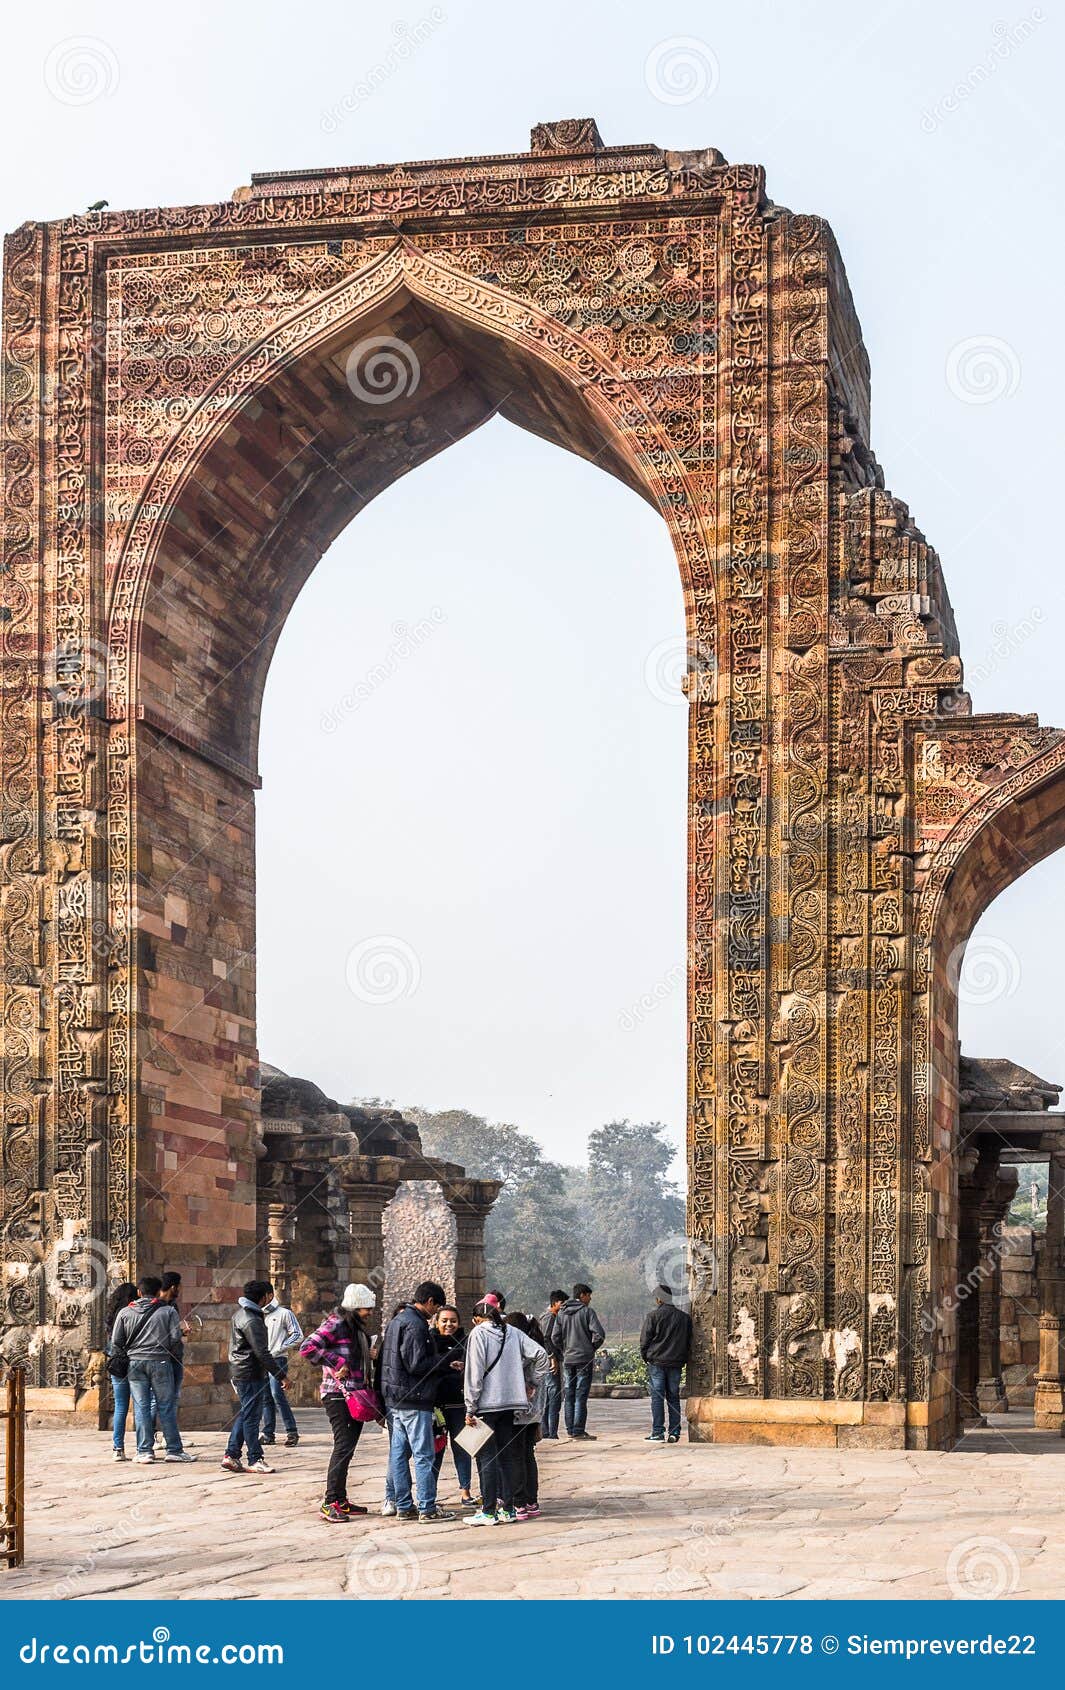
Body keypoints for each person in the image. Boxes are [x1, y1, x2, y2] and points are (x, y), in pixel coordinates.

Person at [464, 1294, 549, 1526]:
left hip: (486, 1405)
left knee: (487, 1457)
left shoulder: (478, 1334)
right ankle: (508, 1510)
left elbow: (474, 1373)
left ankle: (488, 1511)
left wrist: (470, 1406)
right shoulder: (513, 1332)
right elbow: (541, 1355)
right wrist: (531, 1382)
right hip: (511, 1404)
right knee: (509, 1457)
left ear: (477, 1319)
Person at [299, 1283, 378, 1522]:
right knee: (343, 1447)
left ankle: (341, 1500)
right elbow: (307, 1347)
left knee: (348, 1448)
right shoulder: (336, 1323)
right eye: (366, 1308)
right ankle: (330, 1501)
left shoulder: (353, 1328)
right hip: (338, 1394)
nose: (370, 1313)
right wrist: (337, 1362)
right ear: (355, 1307)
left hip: (354, 1394)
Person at [380, 1280, 456, 1524]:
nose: (436, 1313)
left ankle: (403, 1506)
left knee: (398, 1454)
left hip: (396, 1399)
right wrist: (446, 1361)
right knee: (424, 1455)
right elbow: (416, 1364)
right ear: (430, 1301)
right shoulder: (416, 1324)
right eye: (437, 1307)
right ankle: (427, 1507)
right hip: (415, 1398)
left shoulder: (397, 1321)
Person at [109, 1275, 194, 1465]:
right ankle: (174, 1449)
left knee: (141, 1407)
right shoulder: (168, 1311)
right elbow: (175, 1339)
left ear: (139, 1292)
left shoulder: (125, 1312)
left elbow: (116, 1342)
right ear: (157, 1292)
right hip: (161, 1361)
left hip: (135, 1364)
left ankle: (144, 1451)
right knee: (166, 1406)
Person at [221, 1279, 282, 1475]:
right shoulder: (252, 1319)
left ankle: (231, 1454)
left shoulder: (242, 1314)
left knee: (246, 1413)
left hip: (242, 1370)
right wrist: (281, 1376)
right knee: (252, 1417)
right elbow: (261, 1352)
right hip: (249, 1372)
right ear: (264, 1297)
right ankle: (255, 1458)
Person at [430, 1305, 475, 1509]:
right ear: (437, 1322)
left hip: (459, 1405)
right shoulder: (429, 1341)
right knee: (436, 1450)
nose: (449, 1324)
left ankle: (466, 1491)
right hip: (437, 1406)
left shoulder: (466, 1342)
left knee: (463, 1449)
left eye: (453, 1321)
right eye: (444, 1320)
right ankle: (429, 1493)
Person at [507, 1312, 549, 1520]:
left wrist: (530, 1383)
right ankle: (531, 1501)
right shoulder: (532, 1345)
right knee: (527, 1455)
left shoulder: (522, 1350)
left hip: (519, 1412)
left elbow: (541, 1358)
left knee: (516, 1456)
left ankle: (519, 1503)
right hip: (533, 1413)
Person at [639, 1284, 693, 1444]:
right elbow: (689, 1341)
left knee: (657, 1398)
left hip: (657, 1362)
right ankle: (674, 1432)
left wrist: (646, 1357)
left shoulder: (653, 1316)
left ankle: (658, 1432)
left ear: (659, 1299)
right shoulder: (684, 1318)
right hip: (676, 1362)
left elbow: (644, 1341)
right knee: (673, 1397)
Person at [553, 1282, 605, 1441]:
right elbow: (599, 1334)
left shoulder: (561, 1313)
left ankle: (570, 1429)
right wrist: (590, 1348)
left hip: (568, 1359)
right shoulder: (587, 1312)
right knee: (580, 1395)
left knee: (569, 1395)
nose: (590, 1299)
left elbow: (555, 1337)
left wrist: (564, 1350)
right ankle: (578, 1430)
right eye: (589, 1295)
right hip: (584, 1359)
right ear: (582, 1295)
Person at [260, 1295, 304, 1448]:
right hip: (262, 1360)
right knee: (266, 1397)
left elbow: (298, 1335)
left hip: (277, 1359)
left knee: (276, 1394)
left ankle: (292, 1432)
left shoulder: (284, 1313)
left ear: (268, 1296)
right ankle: (268, 1434)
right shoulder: (257, 1315)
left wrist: (279, 1348)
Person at [152, 1270, 189, 1448]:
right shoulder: (155, 1305)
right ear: (174, 1287)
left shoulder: (171, 1306)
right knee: (156, 1399)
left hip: (171, 1357)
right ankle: (152, 1437)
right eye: (180, 1286)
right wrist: (179, 1334)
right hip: (161, 1357)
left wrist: (180, 1332)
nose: (181, 1290)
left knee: (172, 1398)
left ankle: (169, 1436)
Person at [377, 1303, 407, 1517]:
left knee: (418, 1454)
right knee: (398, 1452)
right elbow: (379, 1376)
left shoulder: (423, 1339)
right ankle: (392, 1497)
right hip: (393, 1404)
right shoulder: (387, 1345)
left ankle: (416, 1499)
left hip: (418, 1404)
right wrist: (379, 1408)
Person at [105, 1281, 137, 1462]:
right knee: (142, 1404)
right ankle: (144, 1446)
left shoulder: (111, 1317)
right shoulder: (132, 1314)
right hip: (134, 1361)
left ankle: (118, 1448)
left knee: (120, 1406)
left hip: (117, 1363)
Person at [539, 1289, 566, 1439]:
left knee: (550, 1396)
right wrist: (552, 1357)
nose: (563, 1306)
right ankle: (550, 1431)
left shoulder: (553, 1316)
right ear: (555, 1303)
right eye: (562, 1303)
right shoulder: (549, 1317)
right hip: (550, 1362)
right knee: (553, 1396)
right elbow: (546, 1338)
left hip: (550, 1360)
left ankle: (548, 1430)